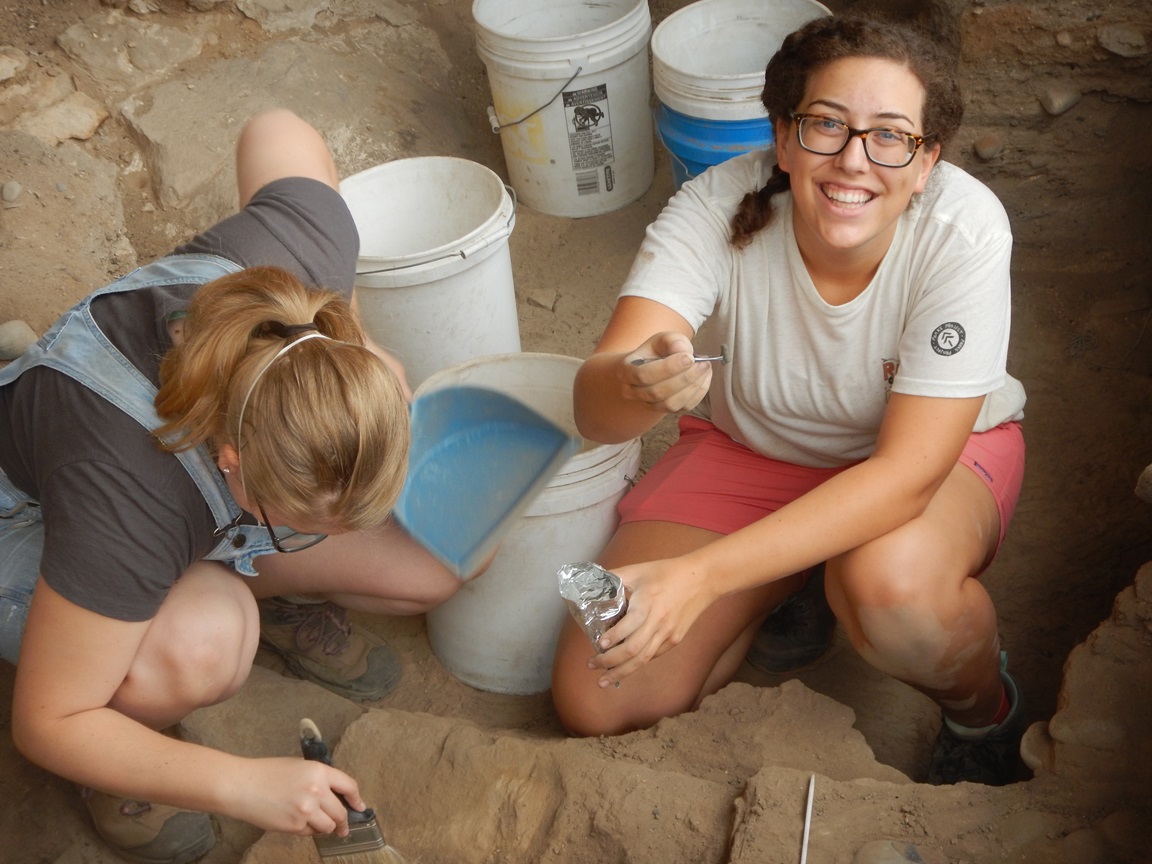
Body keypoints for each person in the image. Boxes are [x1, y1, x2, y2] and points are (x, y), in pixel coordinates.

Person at [551, 15, 1029, 788]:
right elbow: (595, 412)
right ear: (781, 135)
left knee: (889, 588)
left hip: (922, 457)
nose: (853, 160)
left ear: (927, 159)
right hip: (756, 450)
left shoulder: (961, 230)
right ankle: (790, 575)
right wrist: (634, 383)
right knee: (599, 699)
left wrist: (702, 576)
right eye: (826, 125)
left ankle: (984, 713)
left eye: (890, 136)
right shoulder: (716, 207)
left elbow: (908, 473)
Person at [0, 109, 466, 864]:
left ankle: (244, 569)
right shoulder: (128, 500)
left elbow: (277, 128)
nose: (338, 534)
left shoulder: (302, 263)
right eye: (307, 521)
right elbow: (47, 719)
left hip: (181, 483)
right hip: (32, 508)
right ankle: (129, 749)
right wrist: (240, 783)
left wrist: (360, 345)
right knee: (206, 645)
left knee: (428, 572)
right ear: (230, 463)